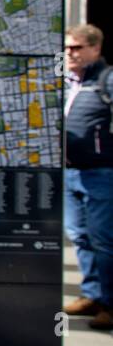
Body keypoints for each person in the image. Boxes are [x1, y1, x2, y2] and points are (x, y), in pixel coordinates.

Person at [62, 24, 112, 330]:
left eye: (77, 47)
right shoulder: (70, 83)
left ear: (95, 48)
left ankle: (109, 302)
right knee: (79, 236)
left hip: (99, 171)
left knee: (103, 239)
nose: (70, 53)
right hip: (70, 171)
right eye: (67, 48)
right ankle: (92, 293)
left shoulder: (106, 80)